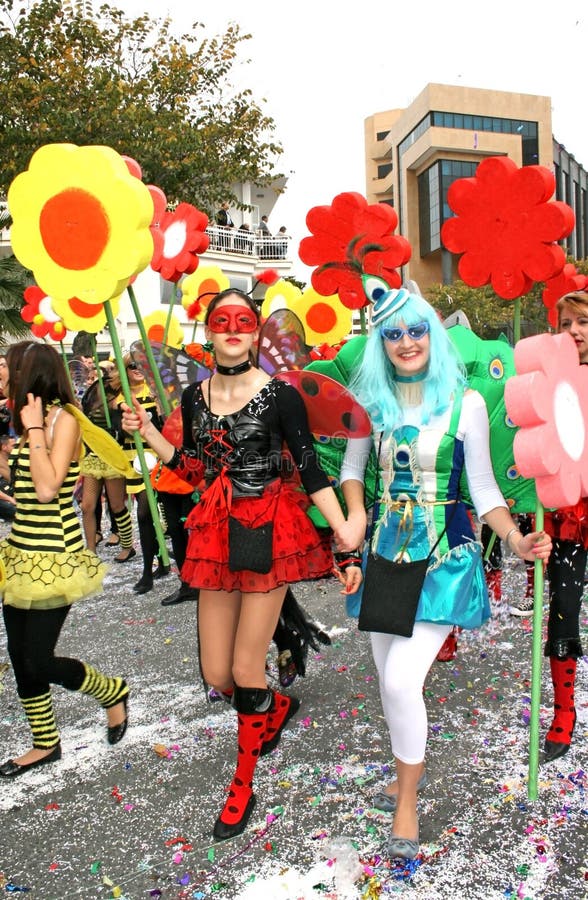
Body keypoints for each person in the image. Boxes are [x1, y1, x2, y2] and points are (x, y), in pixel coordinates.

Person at [121, 288, 360, 840]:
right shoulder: (193, 396)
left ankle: (243, 784)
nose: (233, 329)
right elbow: (194, 469)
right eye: (221, 320)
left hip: (269, 530)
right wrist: (149, 432)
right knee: (217, 675)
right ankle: (272, 708)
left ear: (255, 332)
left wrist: (345, 530)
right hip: (216, 532)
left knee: (247, 669)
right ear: (207, 330)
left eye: (243, 321)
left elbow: (308, 468)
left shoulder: (280, 395)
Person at [338, 288, 552, 861]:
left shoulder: (466, 404)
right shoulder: (369, 406)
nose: (407, 343)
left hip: (444, 559)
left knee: (402, 681)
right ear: (381, 344)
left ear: (432, 333)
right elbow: (353, 472)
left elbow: (482, 489)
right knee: (389, 680)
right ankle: (405, 769)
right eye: (393, 334)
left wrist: (514, 537)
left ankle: (406, 800)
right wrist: (356, 515)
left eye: (416, 330)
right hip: (385, 557)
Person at [0, 342, 129, 778]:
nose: (2, 375)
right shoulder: (26, 421)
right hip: (21, 551)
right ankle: (45, 743)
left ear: (29, 373)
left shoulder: (64, 420)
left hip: (54, 555)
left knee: (38, 658)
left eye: (7, 368)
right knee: (20, 657)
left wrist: (34, 429)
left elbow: (47, 488)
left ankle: (110, 691)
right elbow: (20, 485)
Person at [541, 290, 588, 761]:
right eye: (566, 322)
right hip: (569, 518)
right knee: (564, 611)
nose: (573, 331)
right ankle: (563, 711)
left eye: (583, 322)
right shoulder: (551, 382)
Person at [114, 356, 169, 593]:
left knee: (147, 513)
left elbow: (170, 425)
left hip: (161, 458)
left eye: (141, 364)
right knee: (146, 514)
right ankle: (153, 566)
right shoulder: (121, 398)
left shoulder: (158, 389)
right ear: (125, 371)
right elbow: (120, 429)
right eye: (132, 366)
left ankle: (152, 568)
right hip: (136, 463)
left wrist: (160, 412)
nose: (138, 369)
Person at [79, 371, 135, 559]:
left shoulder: (128, 393)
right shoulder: (98, 389)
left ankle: (127, 546)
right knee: (87, 506)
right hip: (93, 454)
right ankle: (91, 550)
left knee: (117, 505)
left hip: (113, 453)